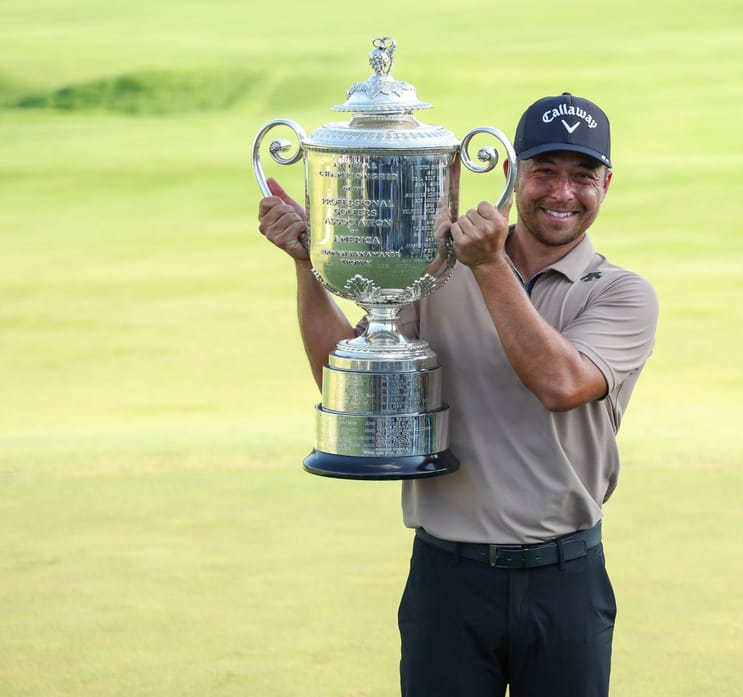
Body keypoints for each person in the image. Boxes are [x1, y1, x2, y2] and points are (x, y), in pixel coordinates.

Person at [257, 92, 658, 697]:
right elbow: (355, 387)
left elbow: (561, 384)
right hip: (448, 580)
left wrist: (489, 267)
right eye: (544, 171)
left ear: (607, 183)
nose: (562, 192)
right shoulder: (437, 270)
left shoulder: (621, 294)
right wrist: (307, 267)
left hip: (564, 580)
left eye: (583, 176)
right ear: (509, 172)